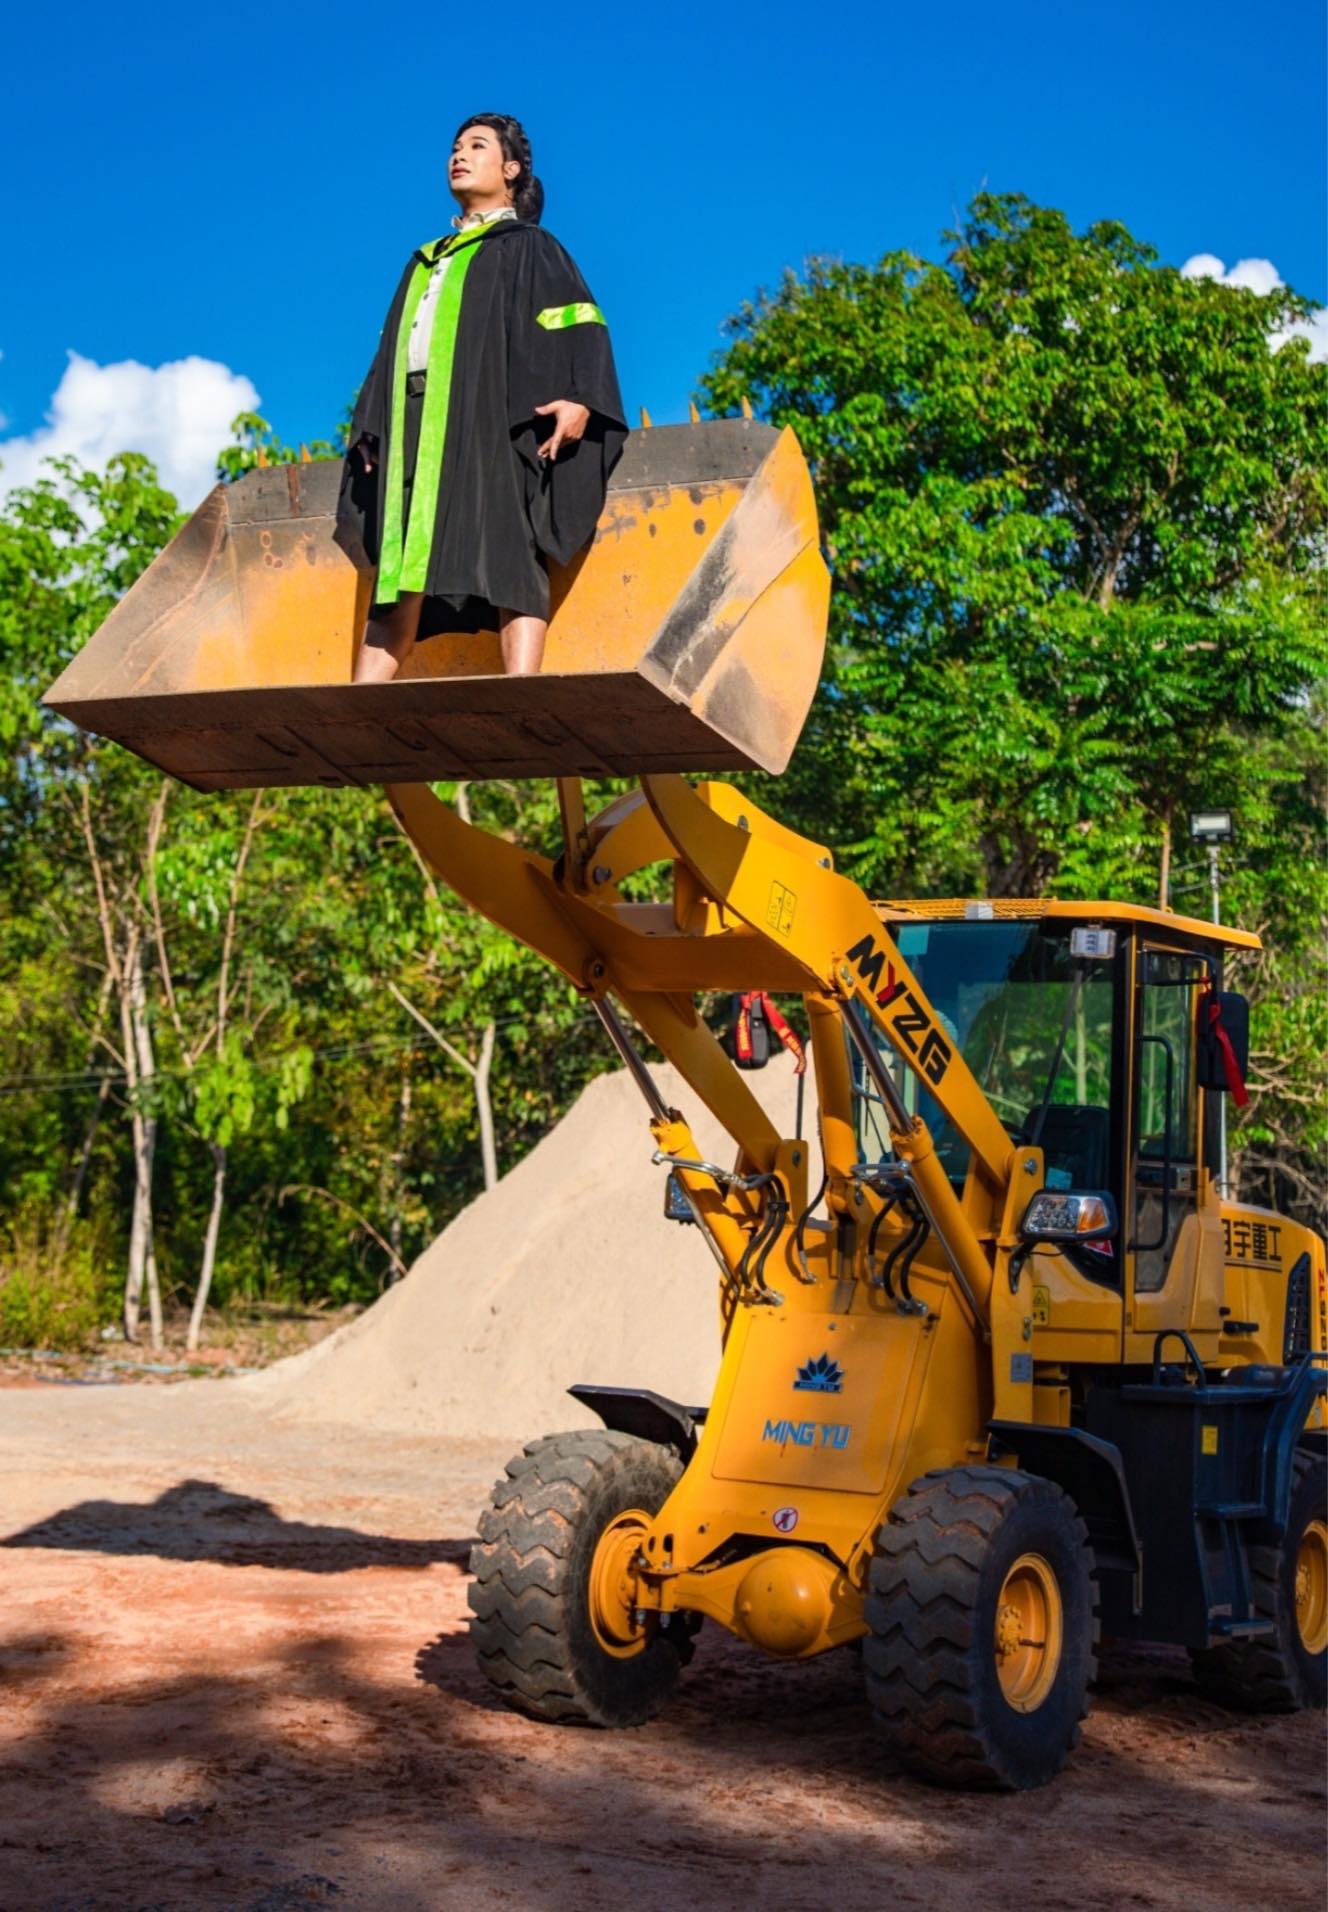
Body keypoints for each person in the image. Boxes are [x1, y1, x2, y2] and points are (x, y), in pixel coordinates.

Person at [338, 113, 627, 680]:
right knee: (399, 565)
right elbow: (394, 347)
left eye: (476, 146)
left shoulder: (530, 247)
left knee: (508, 544)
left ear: (511, 169)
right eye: (454, 147)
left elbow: (579, 324)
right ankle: (359, 713)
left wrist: (579, 398)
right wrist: (370, 424)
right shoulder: (425, 260)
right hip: (414, 426)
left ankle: (523, 690)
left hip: (486, 419)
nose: (458, 155)